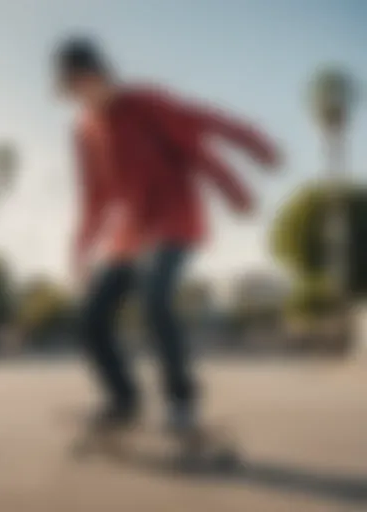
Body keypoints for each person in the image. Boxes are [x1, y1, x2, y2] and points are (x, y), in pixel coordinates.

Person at [53, 36, 281, 434]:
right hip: (129, 233)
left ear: (100, 75)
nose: (81, 96)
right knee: (92, 319)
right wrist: (81, 249)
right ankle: (123, 401)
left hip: (175, 220)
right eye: (72, 90)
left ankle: (181, 401)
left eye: (84, 83)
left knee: (155, 297)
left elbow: (203, 126)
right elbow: (95, 197)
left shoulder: (146, 103)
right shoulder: (85, 131)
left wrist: (249, 158)